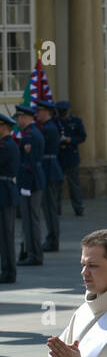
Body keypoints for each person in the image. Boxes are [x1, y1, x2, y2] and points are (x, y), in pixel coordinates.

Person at [14, 104, 45, 266]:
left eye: (19, 117)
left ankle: (34, 254)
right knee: (29, 219)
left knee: (31, 220)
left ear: (26, 118)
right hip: (31, 182)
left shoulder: (30, 136)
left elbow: (29, 164)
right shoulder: (30, 133)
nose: (17, 120)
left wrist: (25, 186)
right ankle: (29, 251)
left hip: (31, 183)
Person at [35, 99, 63, 252]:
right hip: (50, 169)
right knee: (49, 208)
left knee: (49, 208)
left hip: (50, 170)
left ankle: (53, 240)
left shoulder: (49, 129)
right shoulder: (48, 127)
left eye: (39, 111)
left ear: (46, 112)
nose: (37, 114)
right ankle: (52, 239)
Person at [56, 100, 86, 217]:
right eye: (60, 112)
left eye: (64, 112)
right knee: (57, 185)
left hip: (71, 156)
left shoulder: (76, 121)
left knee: (74, 185)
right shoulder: (56, 122)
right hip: (59, 157)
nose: (62, 114)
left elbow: (82, 136)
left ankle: (78, 208)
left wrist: (71, 140)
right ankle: (56, 209)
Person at [0, 113, 19, 283]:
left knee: (7, 235)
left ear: (4, 127)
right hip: (4, 192)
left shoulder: (7, 146)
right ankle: (6, 269)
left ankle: (9, 272)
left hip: (5, 193)